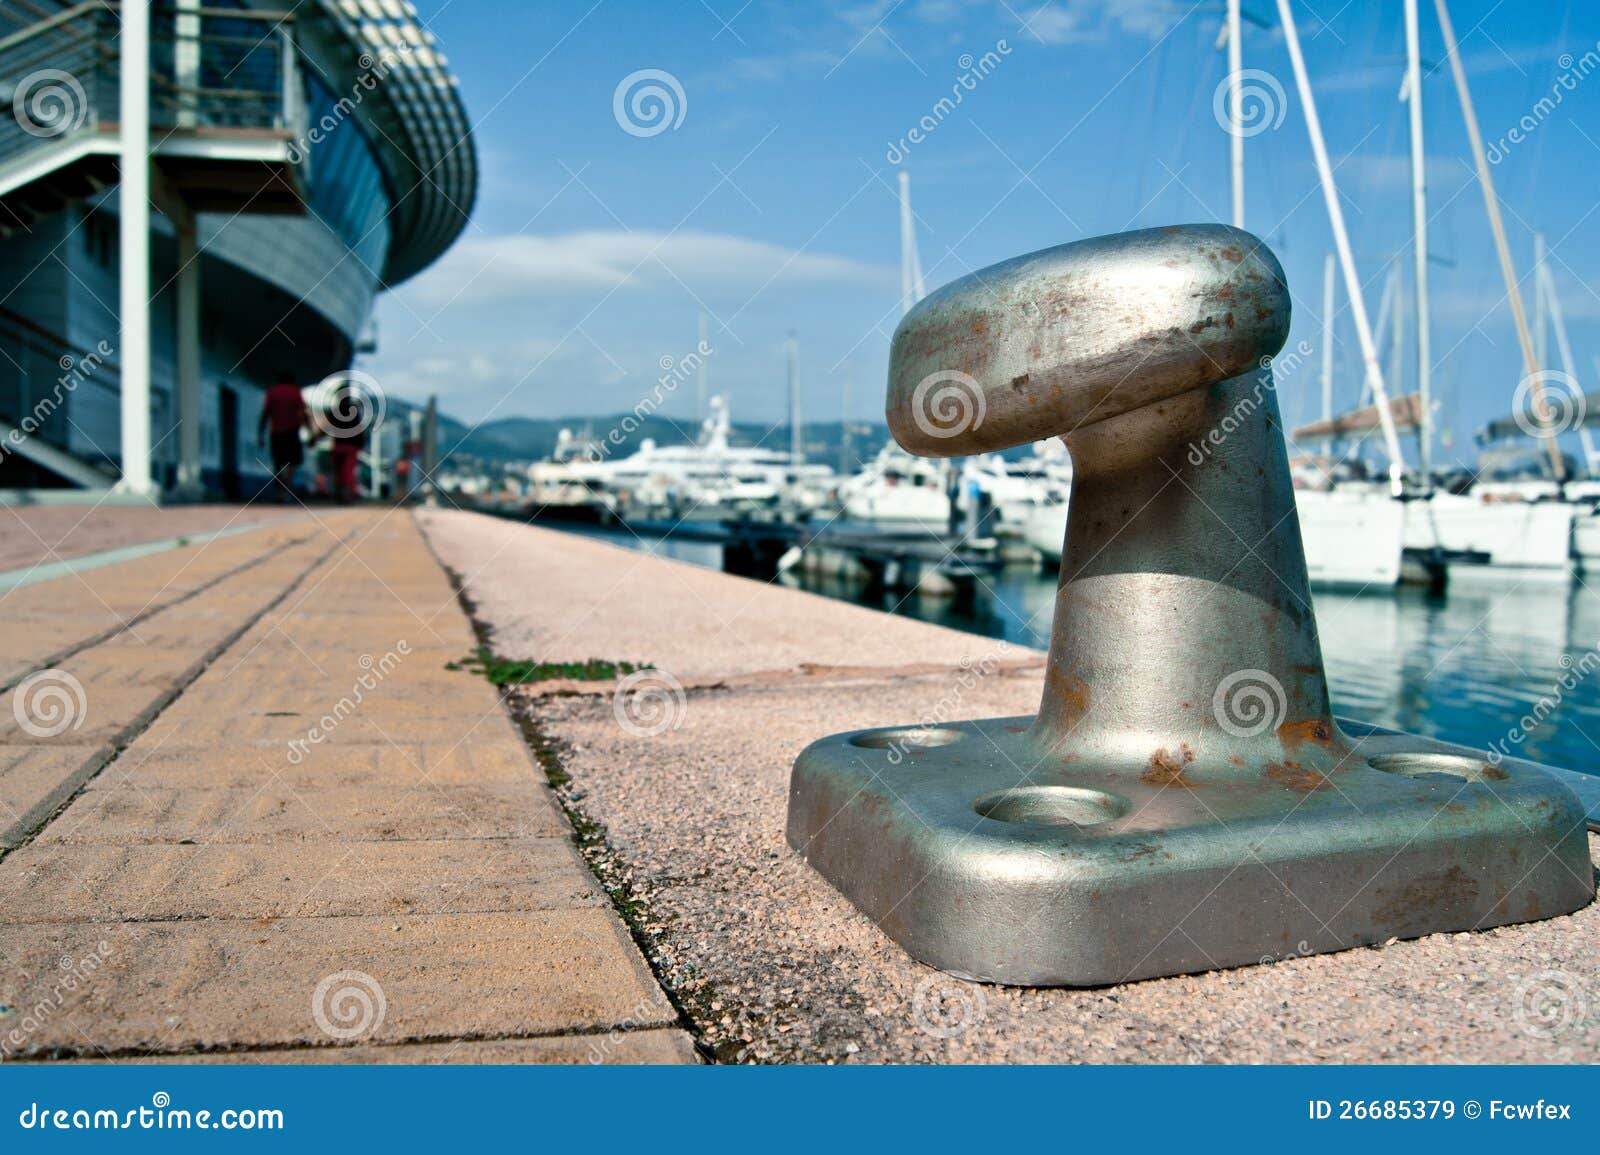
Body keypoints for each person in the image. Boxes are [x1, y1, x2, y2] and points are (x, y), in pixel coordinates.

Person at [257, 370, 310, 503]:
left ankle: (279, 490)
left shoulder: (272, 392)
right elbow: (303, 412)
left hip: (276, 433)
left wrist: (260, 433)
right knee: (292, 462)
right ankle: (287, 487)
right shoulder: (295, 392)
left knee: (277, 463)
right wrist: (310, 430)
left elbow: (266, 413)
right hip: (292, 432)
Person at [323, 379, 367, 503]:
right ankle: (347, 495)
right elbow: (360, 429)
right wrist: (361, 443)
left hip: (338, 446)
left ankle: (340, 494)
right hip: (351, 447)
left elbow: (325, 428)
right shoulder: (354, 410)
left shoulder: (334, 411)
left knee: (338, 472)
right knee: (348, 472)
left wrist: (314, 439)